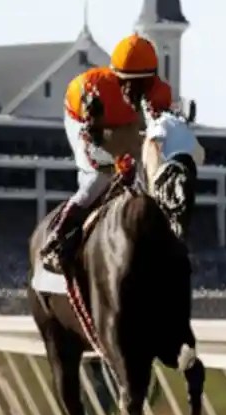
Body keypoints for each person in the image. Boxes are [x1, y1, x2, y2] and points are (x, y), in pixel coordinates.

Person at [40, 33, 173, 270]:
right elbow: (94, 149)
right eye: (129, 84)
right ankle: (56, 241)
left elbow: (158, 142)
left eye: (143, 84)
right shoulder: (94, 93)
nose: (135, 92)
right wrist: (119, 166)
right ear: (116, 77)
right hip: (86, 122)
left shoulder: (161, 94)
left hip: (124, 122)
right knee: (97, 179)